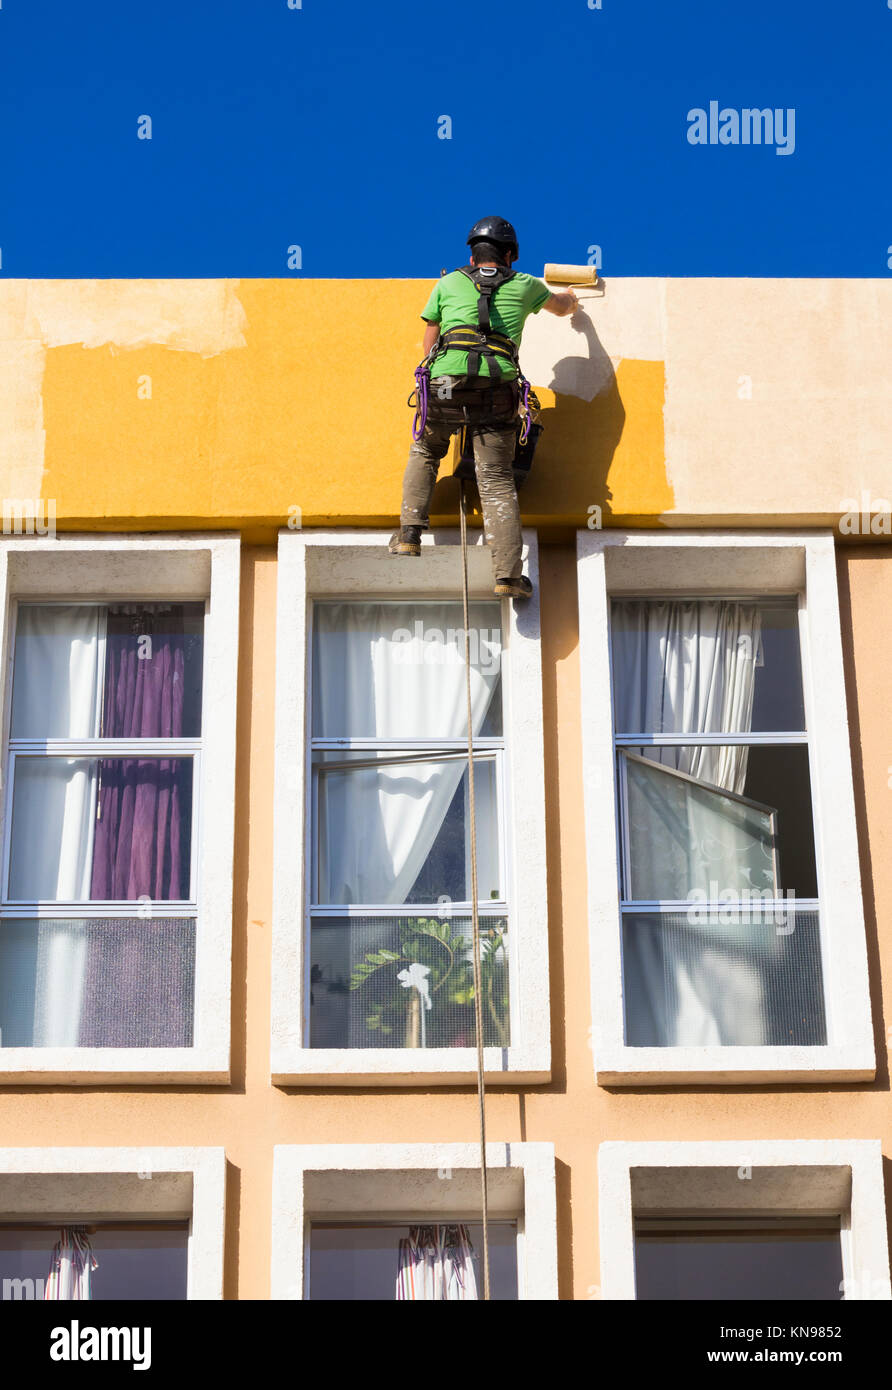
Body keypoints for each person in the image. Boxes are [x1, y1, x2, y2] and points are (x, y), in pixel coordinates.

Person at [389, 216, 578, 597]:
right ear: (510, 255)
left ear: (472, 254)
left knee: (427, 449)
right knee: (495, 480)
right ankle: (507, 576)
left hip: (445, 384)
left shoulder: (447, 282)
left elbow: (429, 344)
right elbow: (562, 307)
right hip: (497, 387)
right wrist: (572, 297)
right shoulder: (526, 285)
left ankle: (409, 535)